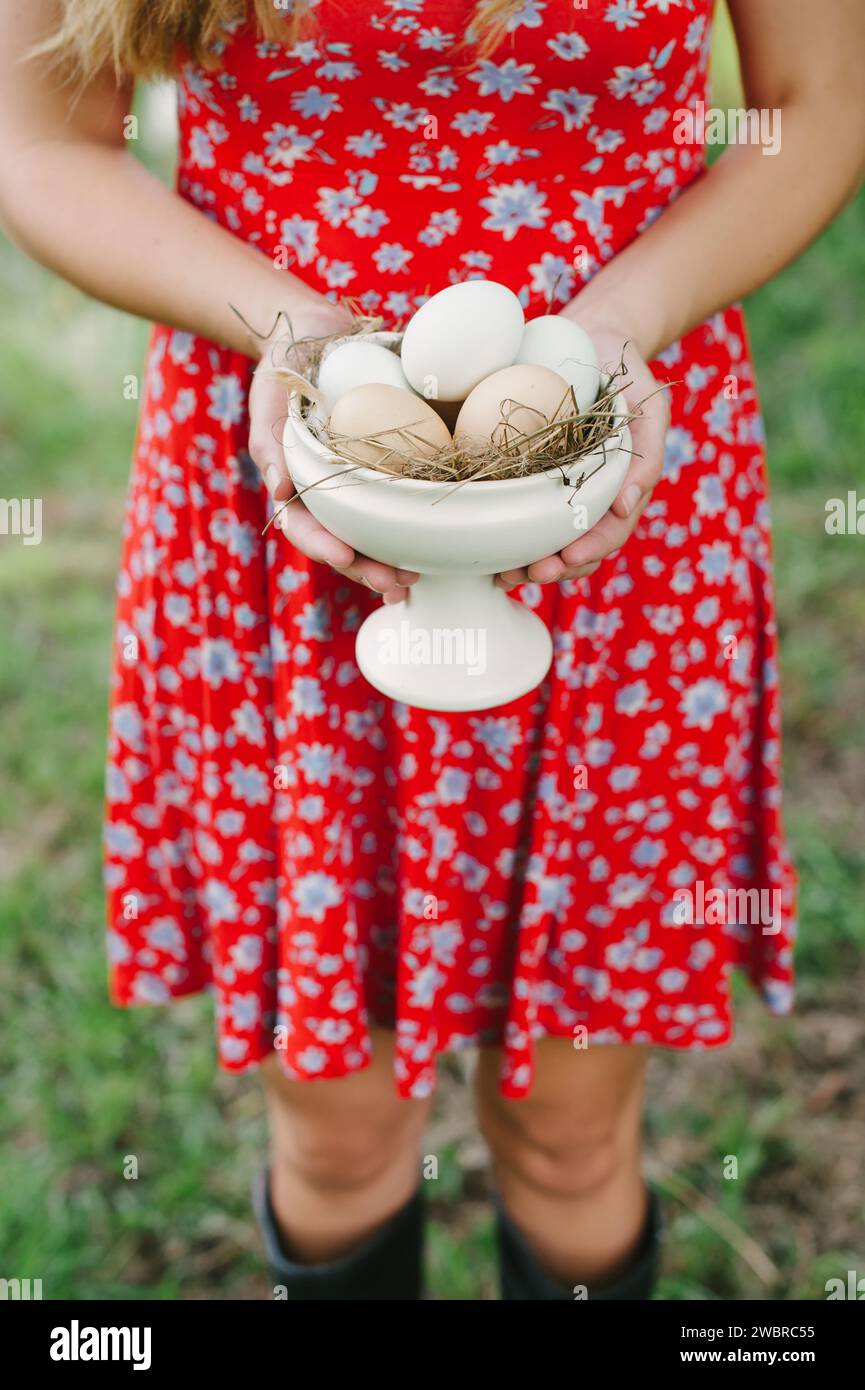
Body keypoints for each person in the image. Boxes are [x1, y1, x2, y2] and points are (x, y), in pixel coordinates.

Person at [2, 0, 862, 1301]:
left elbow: (808, 107)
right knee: (337, 1139)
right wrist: (298, 341)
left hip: (613, 500)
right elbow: (45, 143)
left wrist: (600, 341)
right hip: (278, 492)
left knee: (570, 1137)